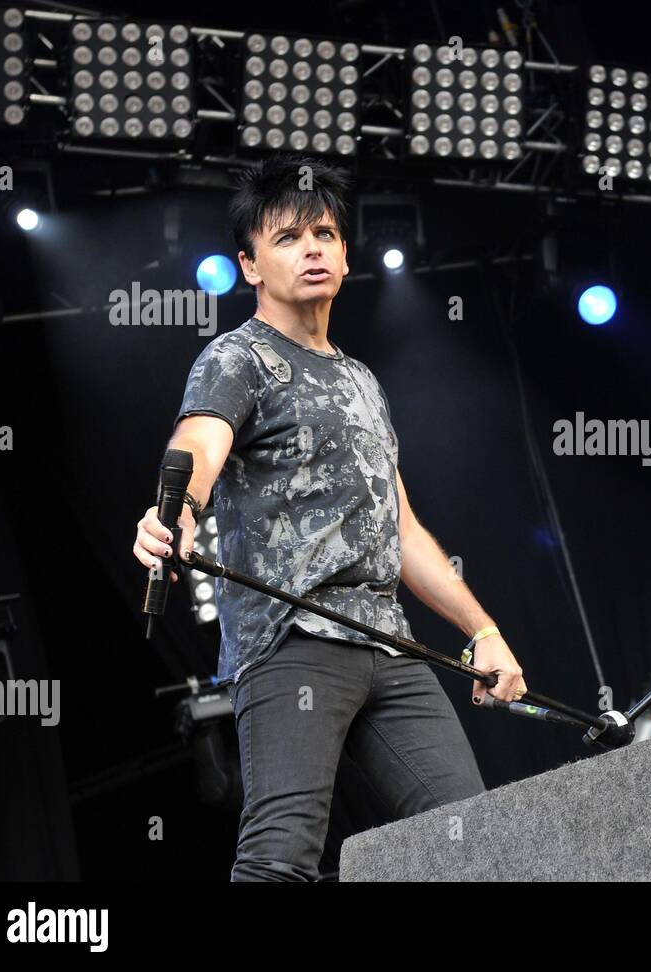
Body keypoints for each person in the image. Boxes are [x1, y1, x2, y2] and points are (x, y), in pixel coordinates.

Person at [132, 154, 526, 880]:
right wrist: (177, 512)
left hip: (388, 645)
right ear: (248, 265)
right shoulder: (237, 359)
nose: (311, 248)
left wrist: (484, 631)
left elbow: (402, 530)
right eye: (287, 238)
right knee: (279, 862)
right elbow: (199, 443)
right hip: (291, 643)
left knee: (477, 846)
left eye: (323, 233)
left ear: (345, 252)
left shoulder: (360, 380)